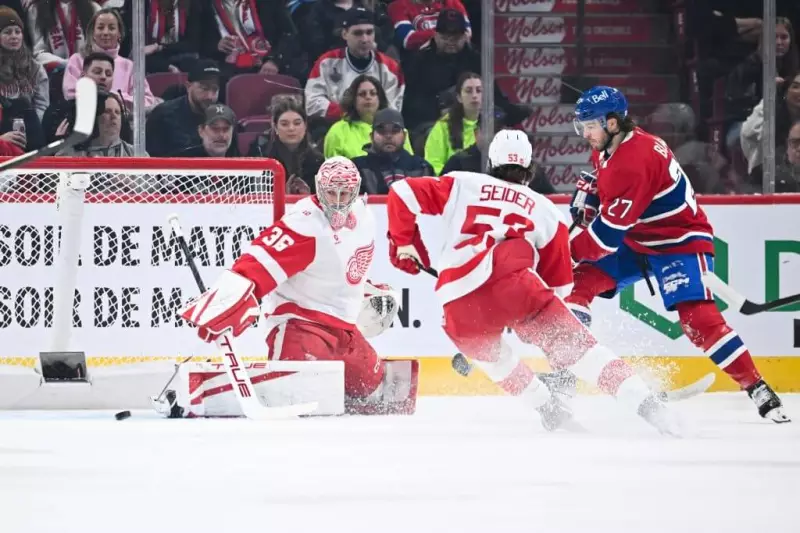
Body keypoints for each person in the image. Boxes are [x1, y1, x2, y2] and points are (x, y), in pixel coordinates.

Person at [384, 130, 678, 434]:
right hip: (517, 283)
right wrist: (534, 321)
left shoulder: (462, 183)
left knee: (496, 360)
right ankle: (649, 406)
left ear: (491, 163)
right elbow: (560, 287)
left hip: (457, 299)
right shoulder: (546, 210)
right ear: (530, 168)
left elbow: (402, 192)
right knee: (584, 354)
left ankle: (548, 408)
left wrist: (405, 243)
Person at [566, 86, 789, 424]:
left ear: (612, 123)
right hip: (637, 239)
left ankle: (757, 387)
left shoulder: (634, 160)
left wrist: (562, 254)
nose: (585, 133)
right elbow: (610, 189)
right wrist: (594, 193)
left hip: (679, 242)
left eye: (590, 125)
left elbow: (604, 239)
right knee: (577, 285)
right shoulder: (611, 145)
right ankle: (565, 374)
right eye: (582, 126)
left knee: (698, 321)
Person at [178, 157, 417, 414]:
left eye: (345, 193)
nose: (338, 201)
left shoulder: (365, 217)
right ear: (319, 188)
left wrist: (366, 289)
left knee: (375, 392)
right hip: (301, 326)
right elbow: (256, 263)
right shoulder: (304, 224)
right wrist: (225, 301)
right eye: (331, 193)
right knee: (295, 395)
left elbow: (341, 269)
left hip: (344, 329)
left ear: (356, 190)